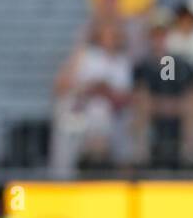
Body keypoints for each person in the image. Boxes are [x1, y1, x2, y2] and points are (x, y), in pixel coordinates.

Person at [50, 15, 134, 176]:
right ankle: (62, 178)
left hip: (110, 116)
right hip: (80, 111)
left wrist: (106, 91)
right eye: (107, 34)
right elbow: (60, 86)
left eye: (115, 34)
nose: (111, 38)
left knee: (103, 115)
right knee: (68, 122)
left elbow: (124, 97)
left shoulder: (123, 62)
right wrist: (89, 88)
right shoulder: (85, 56)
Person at [131, 15, 193, 167]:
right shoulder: (143, 65)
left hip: (180, 106)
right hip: (153, 107)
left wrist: (179, 103)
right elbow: (138, 92)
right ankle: (141, 159)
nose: (159, 40)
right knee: (141, 105)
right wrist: (160, 103)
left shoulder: (182, 63)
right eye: (156, 36)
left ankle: (189, 159)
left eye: (162, 36)